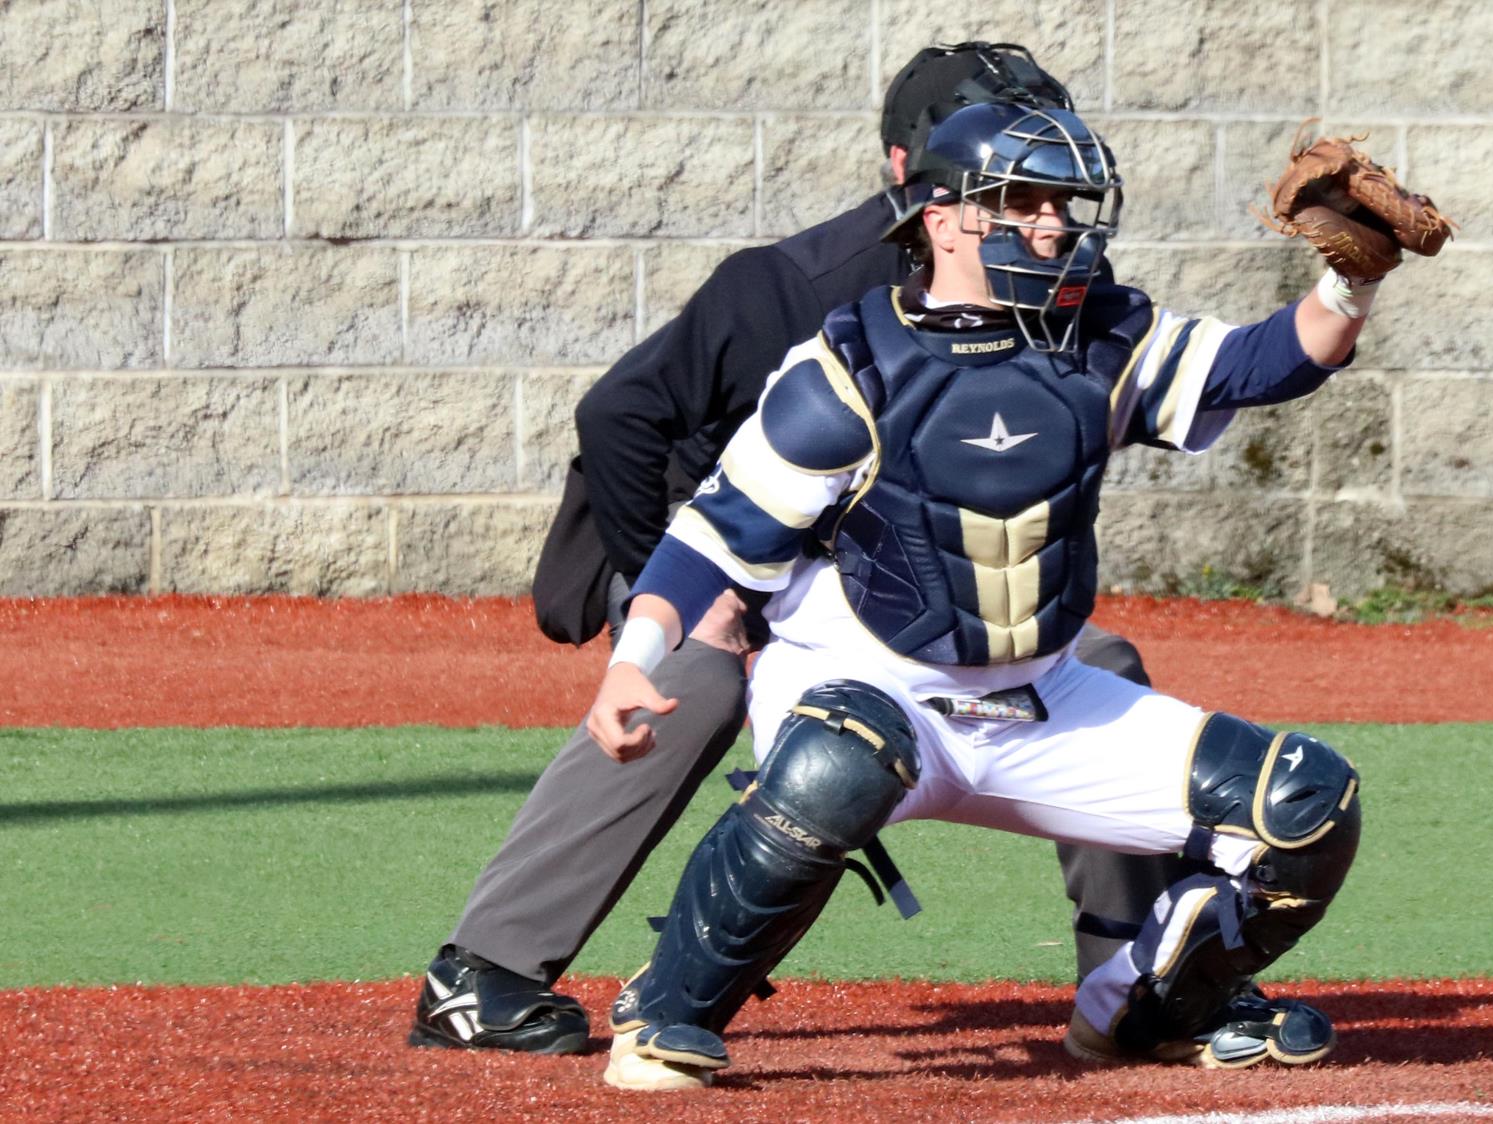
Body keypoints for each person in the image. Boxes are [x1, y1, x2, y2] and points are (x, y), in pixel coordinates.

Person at [586, 98, 1433, 1091]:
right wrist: (629, 665)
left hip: (1043, 699)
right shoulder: (848, 363)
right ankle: (670, 1010)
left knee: (1306, 805)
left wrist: (1351, 278)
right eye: (1022, 202)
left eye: (1065, 205)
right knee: (833, 765)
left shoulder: (1103, 340)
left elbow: (1264, 360)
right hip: (871, 684)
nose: (1053, 225)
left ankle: (1144, 1008)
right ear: (941, 219)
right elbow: (713, 537)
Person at [409, 43, 1199, 1056]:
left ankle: (1131, 982)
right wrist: (698, 595)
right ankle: (485, 971)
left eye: (1045, 180)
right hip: (698, 545)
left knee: (1097, 665)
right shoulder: (791, 286)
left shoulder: (1054, 295)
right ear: (914, 176)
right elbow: (619, 417)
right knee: (691, 677)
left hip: (874, 578)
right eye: (1004, 175)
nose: (1036, 208)